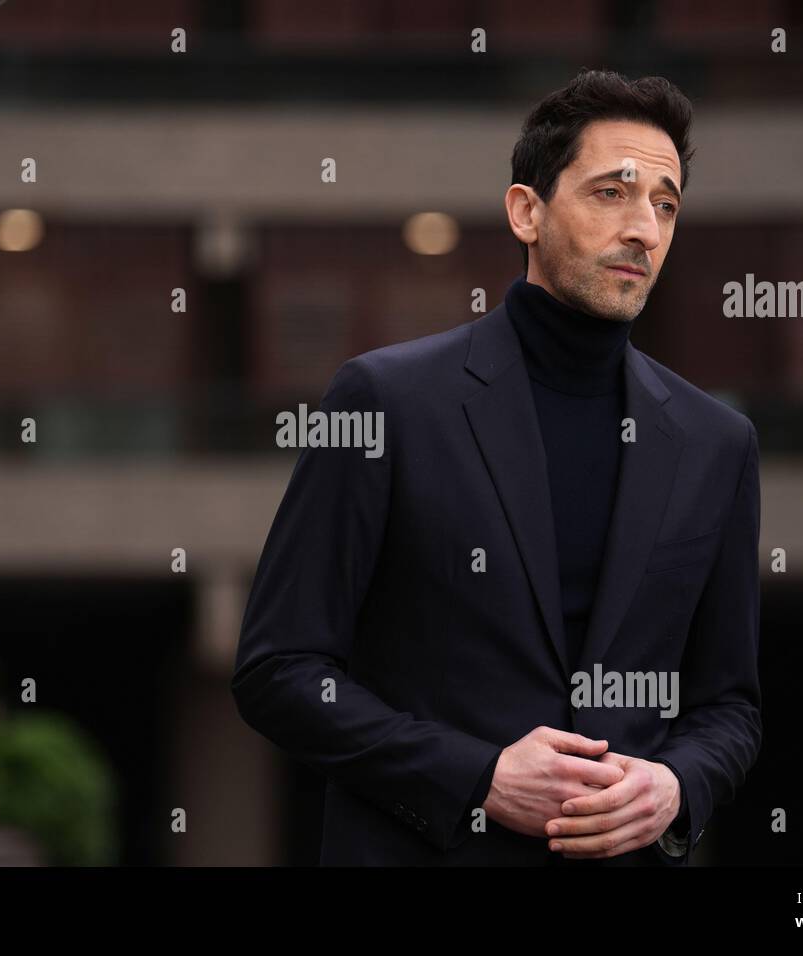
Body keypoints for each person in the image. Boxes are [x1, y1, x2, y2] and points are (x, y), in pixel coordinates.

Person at [231, 68, 762, 866]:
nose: (645, 230)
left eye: (665, 203)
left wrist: (677, 784)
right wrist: (476, 775)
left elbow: (729, 707)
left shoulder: (717, 442)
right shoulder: (384, 401)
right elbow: (281, 670)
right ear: (526, 211)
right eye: (613, 193)